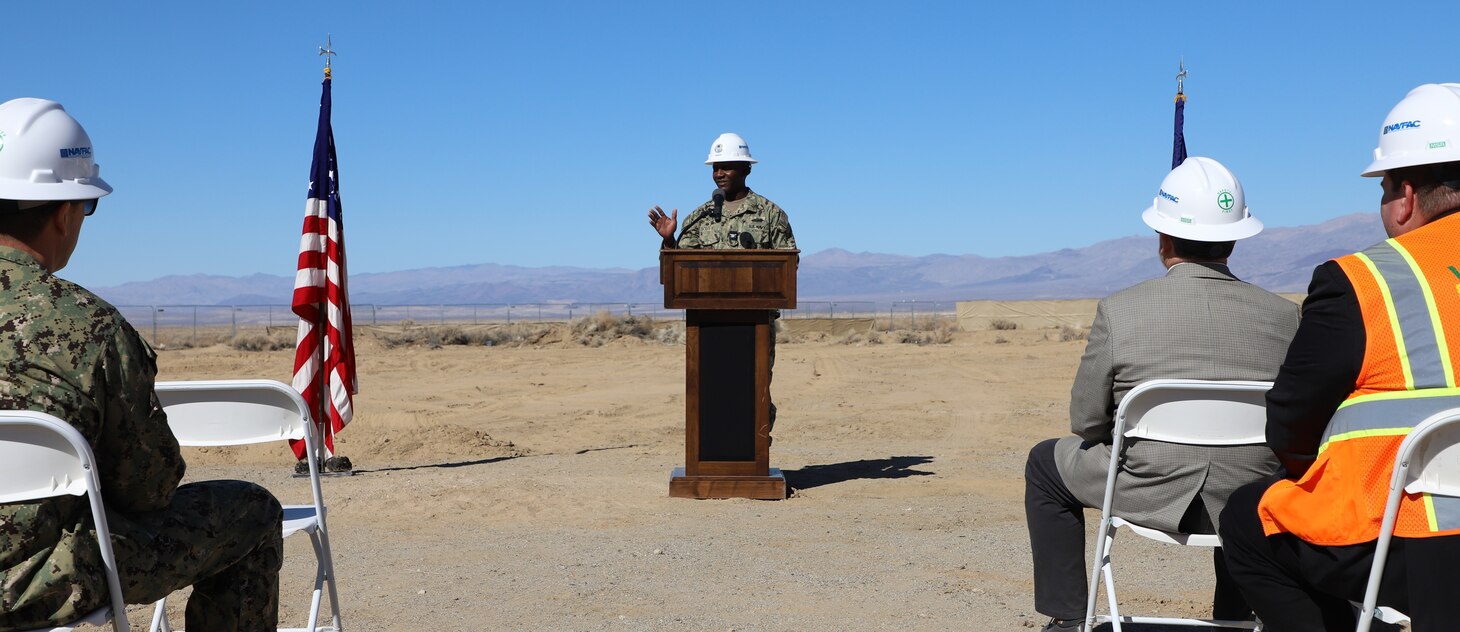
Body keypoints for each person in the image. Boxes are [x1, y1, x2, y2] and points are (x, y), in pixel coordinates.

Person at [0, 98, 283, 631]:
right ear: (64, 212)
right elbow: (148, 488)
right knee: (251, 512)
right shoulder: (90, 327)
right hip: (34, 582)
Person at [1219, 83, 1460, 632]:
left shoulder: (1361, 281)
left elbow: (1290, 424)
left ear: (1404, 193)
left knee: (1247, 519)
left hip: (1418, 542)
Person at [1025, 157, 1300, 631]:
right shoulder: (1285, 316)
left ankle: (1070, 619)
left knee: (1044, 463)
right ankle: (1235, 615)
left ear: (1163, 239)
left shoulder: (1120, 310)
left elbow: (1087, 422)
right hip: (1248, 497)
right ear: (1235, 239)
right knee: (1244, 479)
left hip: (1144, 485)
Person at [647, 132, 797, 440]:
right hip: (708, 328)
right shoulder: (699, 217)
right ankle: (712, 456)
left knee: (754, 387)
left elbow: (788, 267)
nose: (719, 173)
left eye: (727, 166)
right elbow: (675, 272)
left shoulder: (771, 215)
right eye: (715, 167)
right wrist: (669, 241)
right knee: (711, 391)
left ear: (746, 170)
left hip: (755, 324)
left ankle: (756, 454)